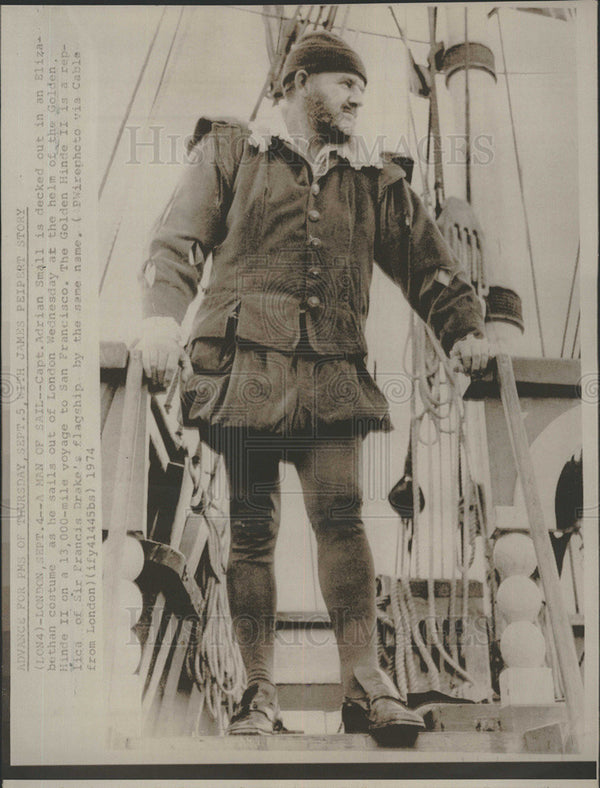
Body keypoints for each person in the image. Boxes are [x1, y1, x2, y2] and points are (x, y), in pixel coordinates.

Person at [137, 31, 491, 745]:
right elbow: (177, 244)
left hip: (330, 370)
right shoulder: (233, 151)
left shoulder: (374, 178)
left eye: (361, 86)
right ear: (298, 82)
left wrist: (464, 331)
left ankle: (364, 681)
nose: (358, 95)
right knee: (254, 531)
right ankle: (258, 690)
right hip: (243, 370)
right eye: (341, 83)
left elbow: (430, 263)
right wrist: (158, 325)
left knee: (342, 521)